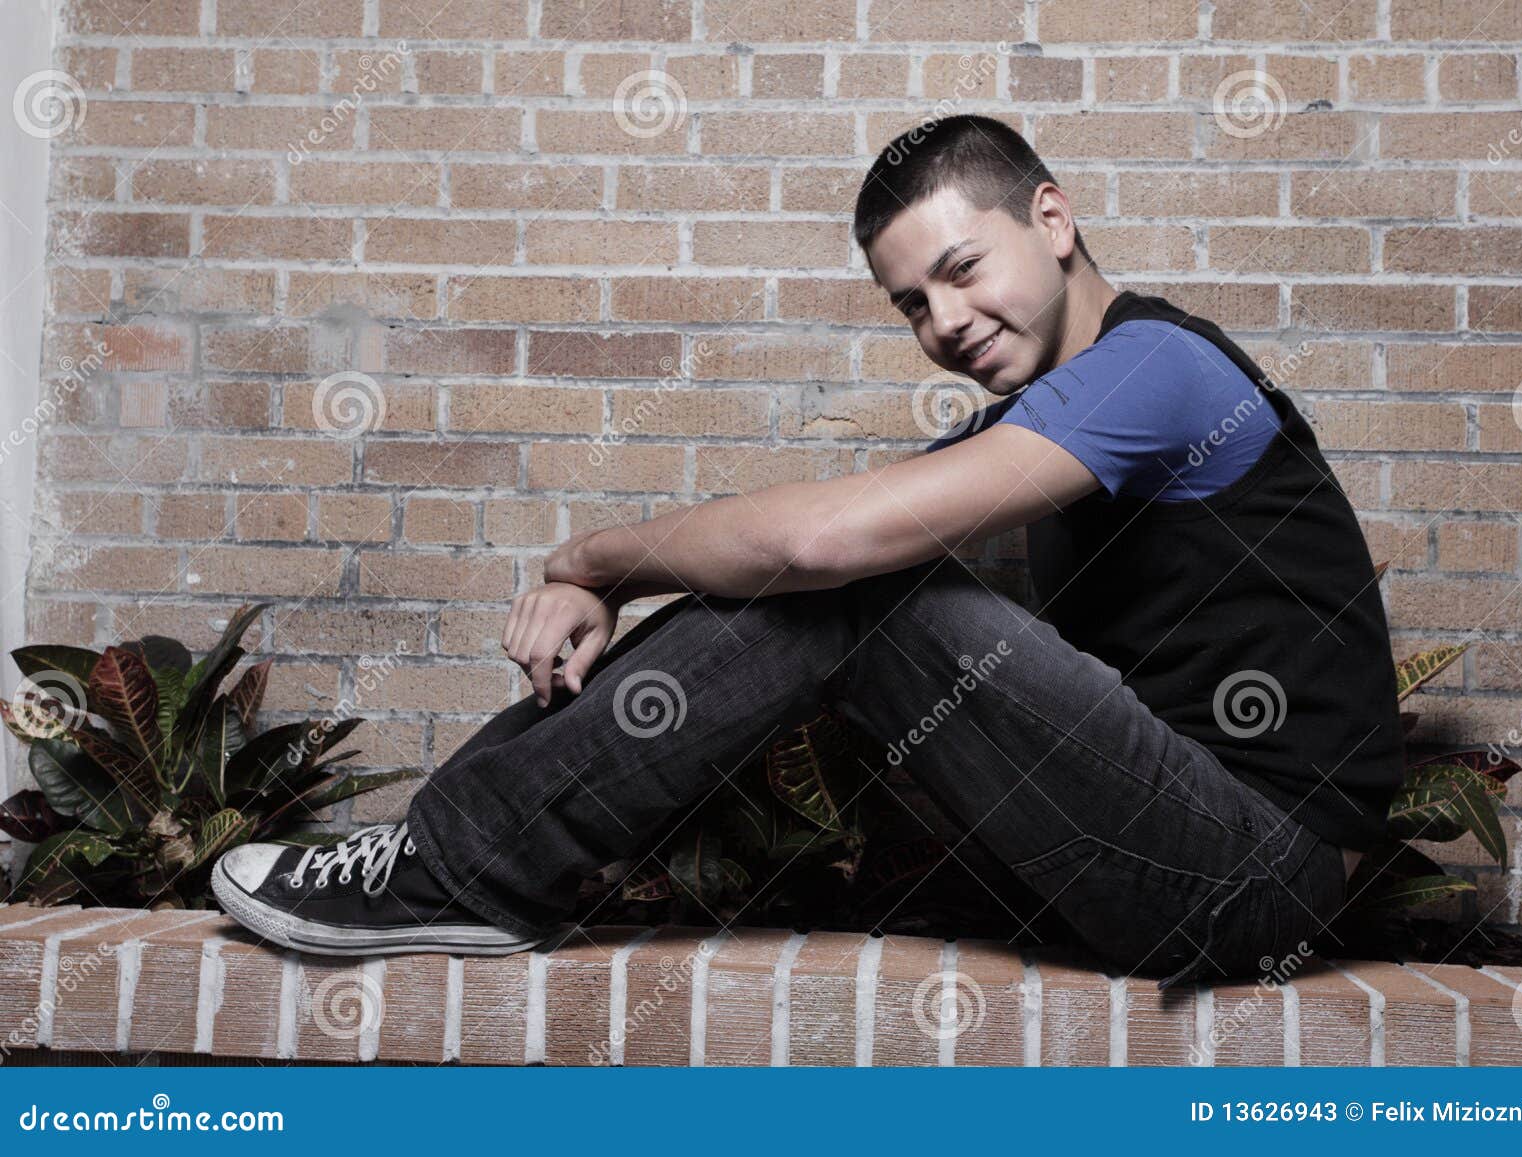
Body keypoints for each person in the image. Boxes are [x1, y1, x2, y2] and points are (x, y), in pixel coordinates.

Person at [212, 114, 1404, 991]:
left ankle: (457, 867)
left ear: (1052, 219)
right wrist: (614, 573)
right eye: (911, 305)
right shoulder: (1044, 420)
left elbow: (824, 540)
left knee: (859, 584)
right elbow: (798, 542)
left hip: (1255, 874)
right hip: (1169, 850)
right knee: (837, 576)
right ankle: (441, 856)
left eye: (960, 269)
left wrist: (593, 561)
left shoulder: (1161, 370)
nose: (945, 322)